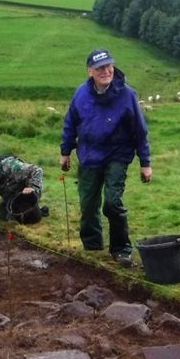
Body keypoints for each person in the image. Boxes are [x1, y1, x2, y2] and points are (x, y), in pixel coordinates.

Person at [60, 48, 152, 267]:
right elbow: (70, 123)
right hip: (89, 154)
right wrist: (65, 151)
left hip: (117, 154)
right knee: (88, 203)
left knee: (112, 202)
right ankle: (92, 246)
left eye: (109, 66)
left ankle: (121, 249)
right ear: (90, 71)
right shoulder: (81, 94)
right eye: (100, 68)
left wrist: (145, 163)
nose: (106, 71)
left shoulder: (127, 95)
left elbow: (140, 130)